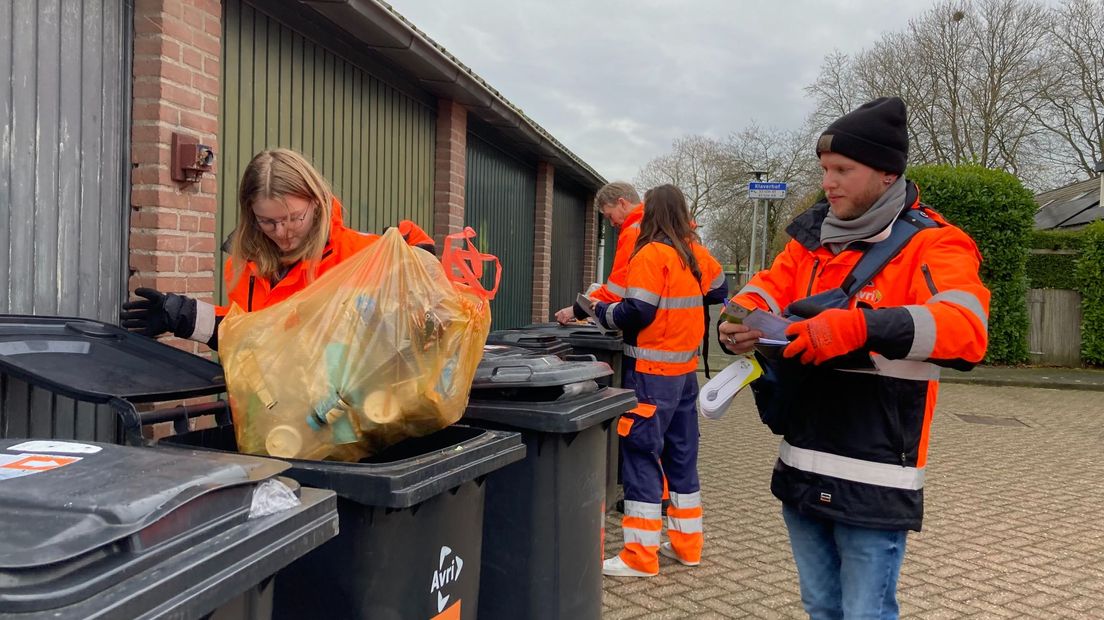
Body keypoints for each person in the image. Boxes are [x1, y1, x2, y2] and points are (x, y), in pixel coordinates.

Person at [719, 97, 990, 618]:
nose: (828, 182)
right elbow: (762, 292)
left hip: (877, 474)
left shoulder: (935, 245)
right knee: (821, 607)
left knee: (865, 613)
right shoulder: (809, 240)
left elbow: (967, 330)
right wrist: (737, 323)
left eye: (843, 169)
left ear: (887, 174)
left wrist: (859, 327)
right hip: (802, 459)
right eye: (824, 170)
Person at [120, 148, 434, 349]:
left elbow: (428, 319)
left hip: (349, 433)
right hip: (266, 425)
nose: (282, 232)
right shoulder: (246, 267)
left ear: (317, 202)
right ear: (250, 214)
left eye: (294, 218)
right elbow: (251, 336)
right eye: (267, 222)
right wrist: (184, 316)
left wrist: (420, 262)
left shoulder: (362, 256)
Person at [594, 184, 727, 578]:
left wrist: (602, 313)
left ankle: (639, 555)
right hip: (685, 375)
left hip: (652, 375)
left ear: (651, 212)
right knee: (681, 459)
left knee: (640, 457)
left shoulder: (651, 253)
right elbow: (721, 289)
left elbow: (637, 310)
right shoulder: (693, 252)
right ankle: (687, 546)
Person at [553, 181, 643, 325]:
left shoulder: (633, 233)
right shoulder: (651, 225)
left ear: (622, 203)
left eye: (609, 216)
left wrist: (577, 309)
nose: (612, 224)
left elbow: (618, 290)